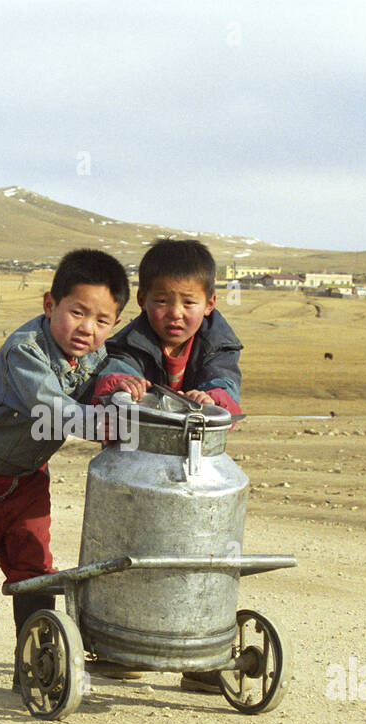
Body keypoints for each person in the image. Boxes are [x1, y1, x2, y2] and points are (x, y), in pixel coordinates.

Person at [0, 249, 137, 684]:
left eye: (102, 320)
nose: (87, 329)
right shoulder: (26, 352)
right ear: (49, 304)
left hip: (28, 475)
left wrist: (121, 384)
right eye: (77, 312)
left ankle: (35, 659)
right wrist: (115, 422)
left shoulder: (94, 353)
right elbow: (54, 412)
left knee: (35, 567)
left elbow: (113, 366)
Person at [93, 238, 244, 693]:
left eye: (188, 302)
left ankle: (200, 654)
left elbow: (226, 385)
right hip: (137, 456)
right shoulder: (132, 341)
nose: (174, 313)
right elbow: (111, 374)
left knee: (202, 556)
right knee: (128, 549)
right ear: (141, 301)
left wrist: (213, 397)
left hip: (201, 463)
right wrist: (120, 383)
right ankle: (121, 645)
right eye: (161, 300)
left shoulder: (218, 344)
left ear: (210, 304)